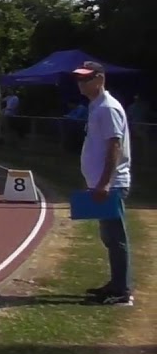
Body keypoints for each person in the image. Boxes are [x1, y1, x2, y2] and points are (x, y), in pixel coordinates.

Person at [73, 61, 133, 306]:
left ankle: (122, 291)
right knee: (109, 237)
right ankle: (116, 284)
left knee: (116, 237)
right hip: (100, 183)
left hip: (111, 184)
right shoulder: (96, 106)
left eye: (86, 78)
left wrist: (105, 183)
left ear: (99, 79)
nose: (81, 83)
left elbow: (114, 145)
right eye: (79, 79)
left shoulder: (107, 108)